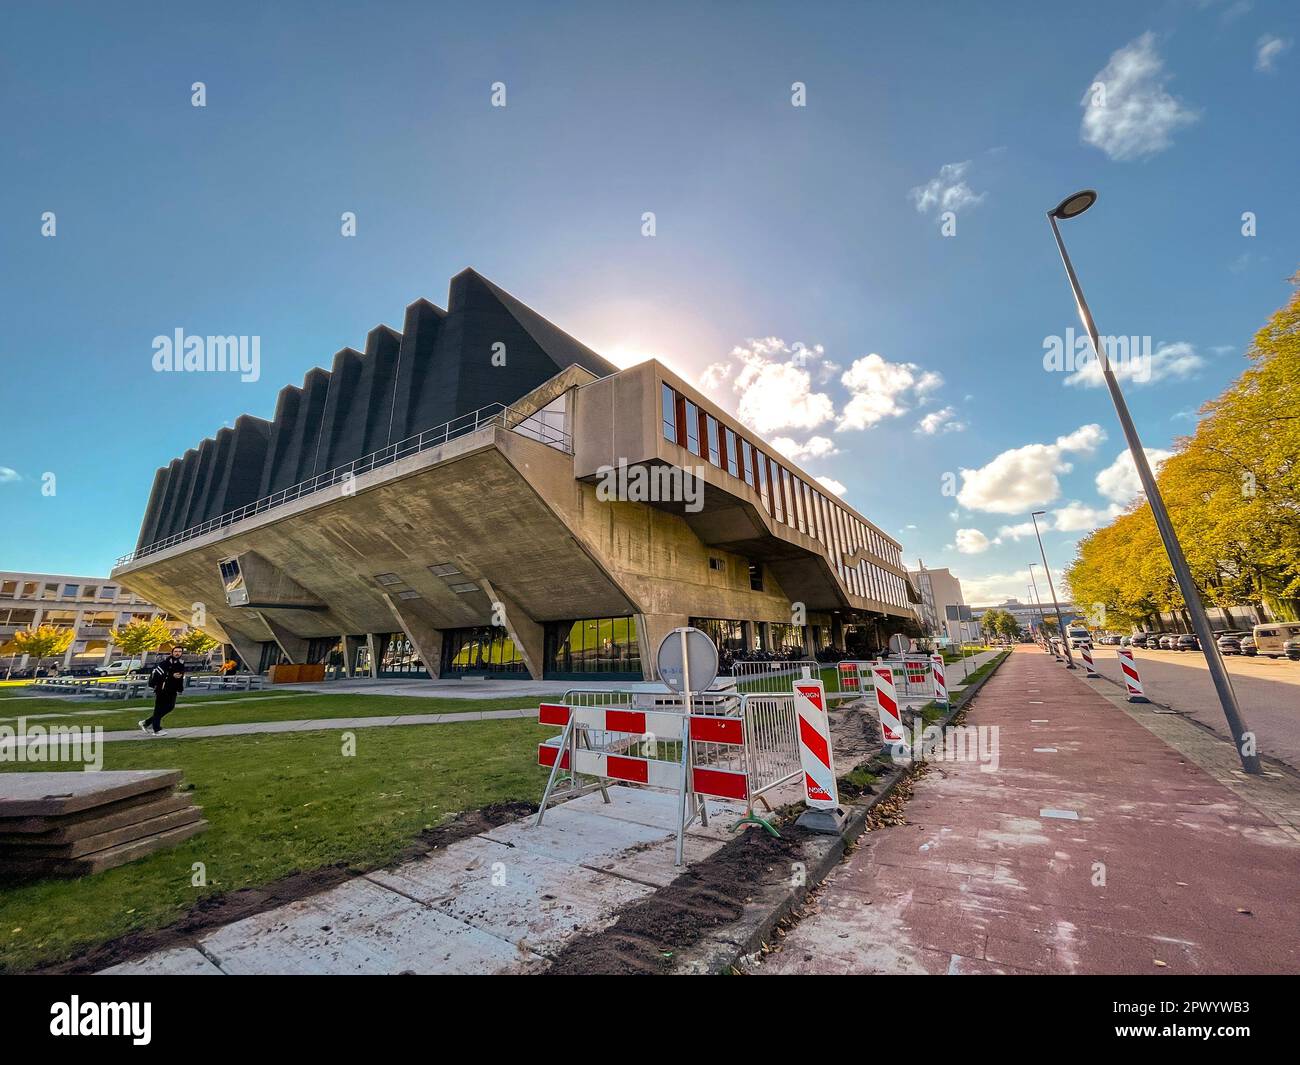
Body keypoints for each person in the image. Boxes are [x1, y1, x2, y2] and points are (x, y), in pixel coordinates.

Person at [139, 646, 186, 736]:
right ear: (172, 652)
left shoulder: (181, 663)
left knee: (170, 707)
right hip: (161, 689)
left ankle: (146, 723)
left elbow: (180, 678)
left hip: (172, 689)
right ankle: (157, 730)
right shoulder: (165, 663)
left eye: (180, 651)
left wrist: (180, 689)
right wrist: (172, 675)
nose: (178, 653)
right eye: (176, 651)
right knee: (158, 709)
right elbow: (159, 675)